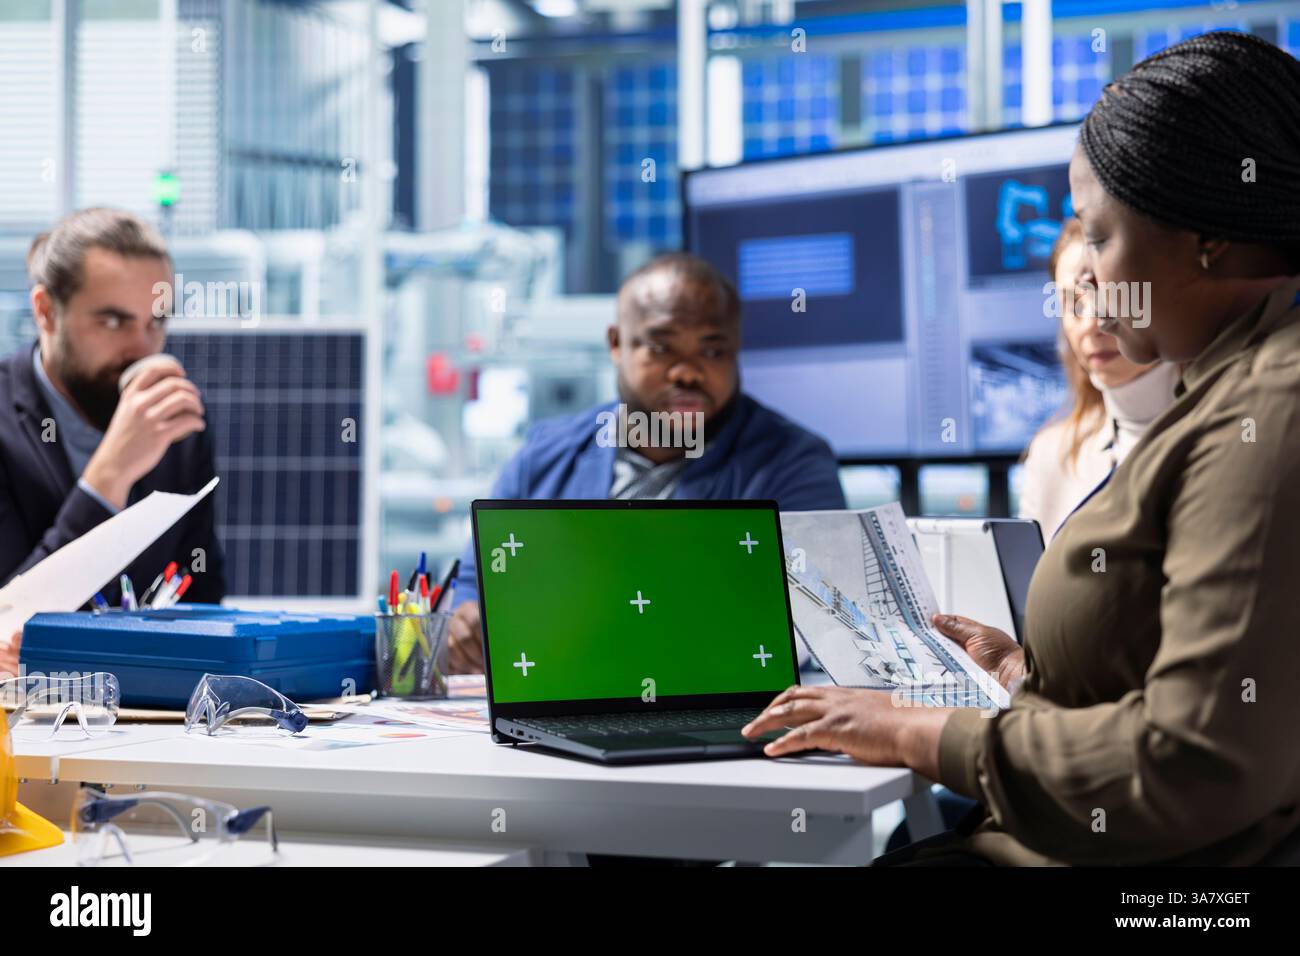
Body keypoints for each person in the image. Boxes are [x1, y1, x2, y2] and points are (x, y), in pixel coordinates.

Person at [742, 31, 1300, 865]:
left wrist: (920, 733)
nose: (1094, 288)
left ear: (1206, 240)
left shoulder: (1266, 411)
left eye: (1100, 237)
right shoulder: (1224, 388)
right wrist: (1020, 681)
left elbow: (1194, 767)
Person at [447, 252, 846, 673]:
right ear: (616, 344)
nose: (687, 373)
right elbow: (471, 591)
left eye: (712, 350)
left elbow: (807, 627)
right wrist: (462, 626)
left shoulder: (793, 464)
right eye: (661, 347)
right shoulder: (543, 459)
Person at [0, 208, 226, 660]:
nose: (142, 350)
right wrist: (108, 478)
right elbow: (7, 621)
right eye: (113, 322)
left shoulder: (176, 430)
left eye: (156, 322)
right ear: (45, 311)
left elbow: (203, 605)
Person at [1019, 218, 1178, 539]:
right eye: (1073, 303)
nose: (1092, 323)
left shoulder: (1216, 429)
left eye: (1110, 296)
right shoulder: (1050, 455)